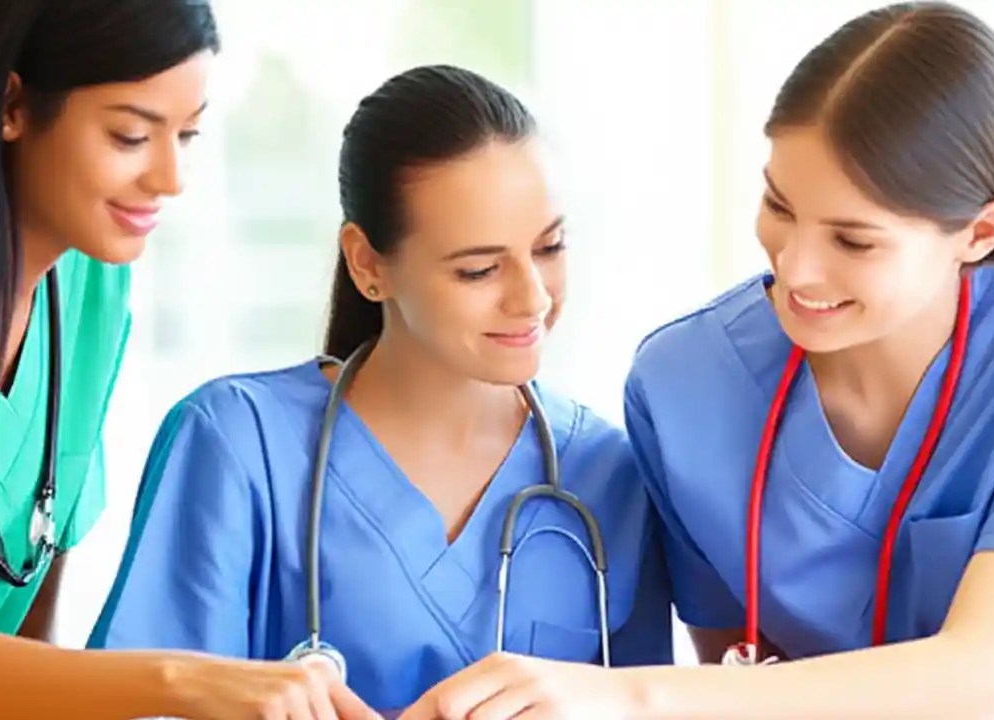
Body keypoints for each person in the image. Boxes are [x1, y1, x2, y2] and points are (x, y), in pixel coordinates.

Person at [396, 3, 994, 719]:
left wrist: (622, 697)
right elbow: (746, 686)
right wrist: (929, 689)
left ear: (979, 233)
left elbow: (980, 674)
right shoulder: (683, 383)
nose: (795, 270)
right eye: (778, 205)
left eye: (853, 239)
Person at [87, 64, 675, 716]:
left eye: (550, 247)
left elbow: (643, 700)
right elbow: (138, 702)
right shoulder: (238, 442)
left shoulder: (609, 478)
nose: (532, 297)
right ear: (368, 264)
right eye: (479, 269)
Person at [0, 2, 367, 717]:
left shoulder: (88, 284)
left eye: (187, 134)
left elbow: (29, 625)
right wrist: (186, 682)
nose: (170, 178)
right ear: (11, 104)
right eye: (131, 135)